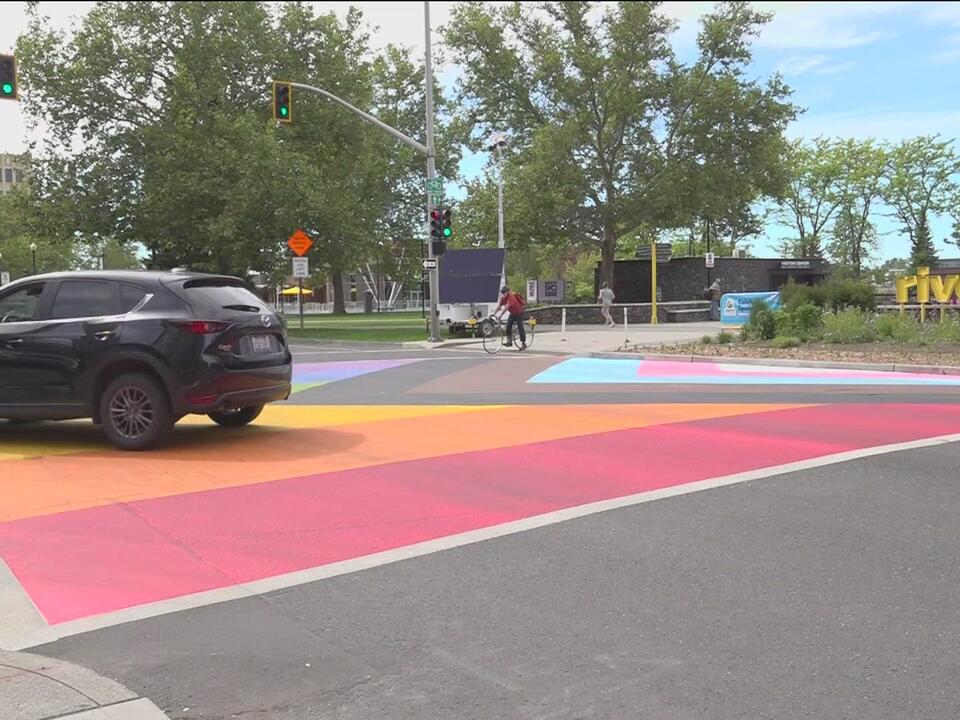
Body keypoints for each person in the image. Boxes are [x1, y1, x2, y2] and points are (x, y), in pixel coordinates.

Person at [493, 285, 527, 350]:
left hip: (519, 312)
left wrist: (501, 315)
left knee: (520, 327)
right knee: (508, 326)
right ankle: (509, 341)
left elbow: (507, 307)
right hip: (513, 313)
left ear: (507, 292)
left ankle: (523, 343)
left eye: (504, 292)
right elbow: (499, 306)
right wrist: (494, 314)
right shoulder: (503, 298)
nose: (503, 294)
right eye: (502, 292)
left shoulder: (511, 297)